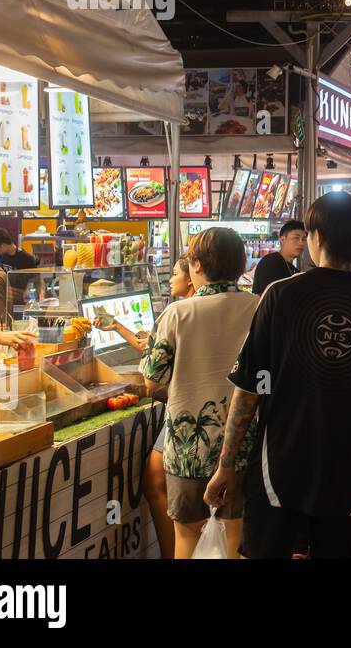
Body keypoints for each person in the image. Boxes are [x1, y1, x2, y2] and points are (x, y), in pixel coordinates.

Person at [204, 192, 351, 559]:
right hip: (350, 478)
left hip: (278, 471)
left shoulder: (280, 296)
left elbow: (249, 391)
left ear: (316, 237)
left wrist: (225, 467)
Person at [139, 229, 257, 558]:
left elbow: (152, 380)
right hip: (244, 448)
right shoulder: (260, 308)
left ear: (197, 265)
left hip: (188, 447)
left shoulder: (177, 314)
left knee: (187, 538)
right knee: (235, 535)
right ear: (241, 264)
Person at [143, 255, 195, 560]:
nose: (171, 279)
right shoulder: (248, 304)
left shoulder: (178, 312)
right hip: (223, 420)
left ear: (195, 273)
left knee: (157, 481)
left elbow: (152, 379)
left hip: (188, 413)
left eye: (175, 273)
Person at [250, 219, 305, 297]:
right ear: (282, 239)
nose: (301, 243)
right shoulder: (271, 262)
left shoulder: (294, 270)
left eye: (304, 239)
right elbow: (266, 297)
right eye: (296, 238)